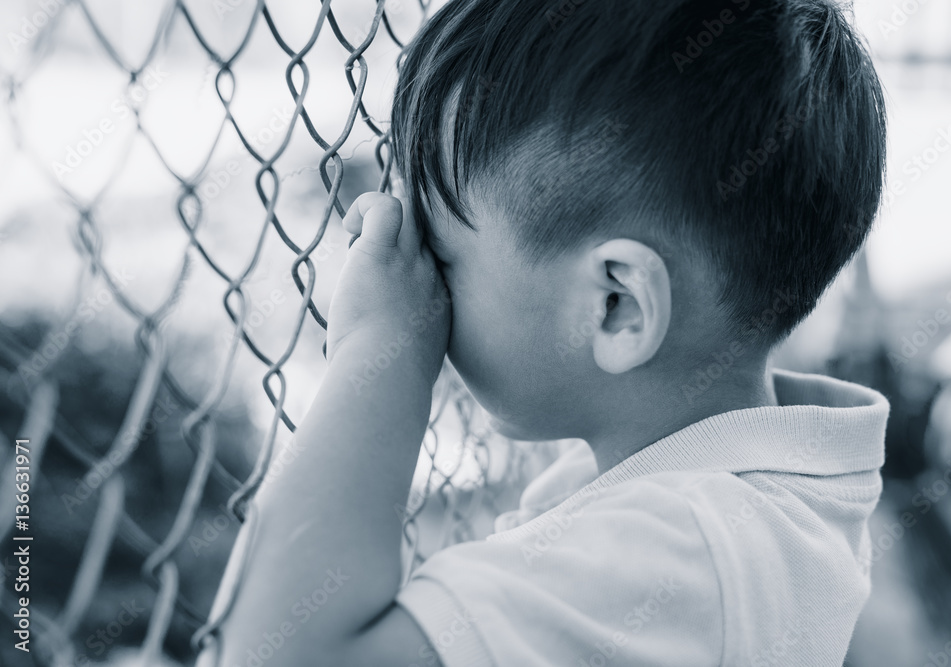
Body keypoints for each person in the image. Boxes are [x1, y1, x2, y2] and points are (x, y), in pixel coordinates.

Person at [204, 0, 889, 664]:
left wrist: (375, 353)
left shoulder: (678, 550)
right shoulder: (767, 496)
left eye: (440, 257)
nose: (417, 280)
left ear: (618, 305)